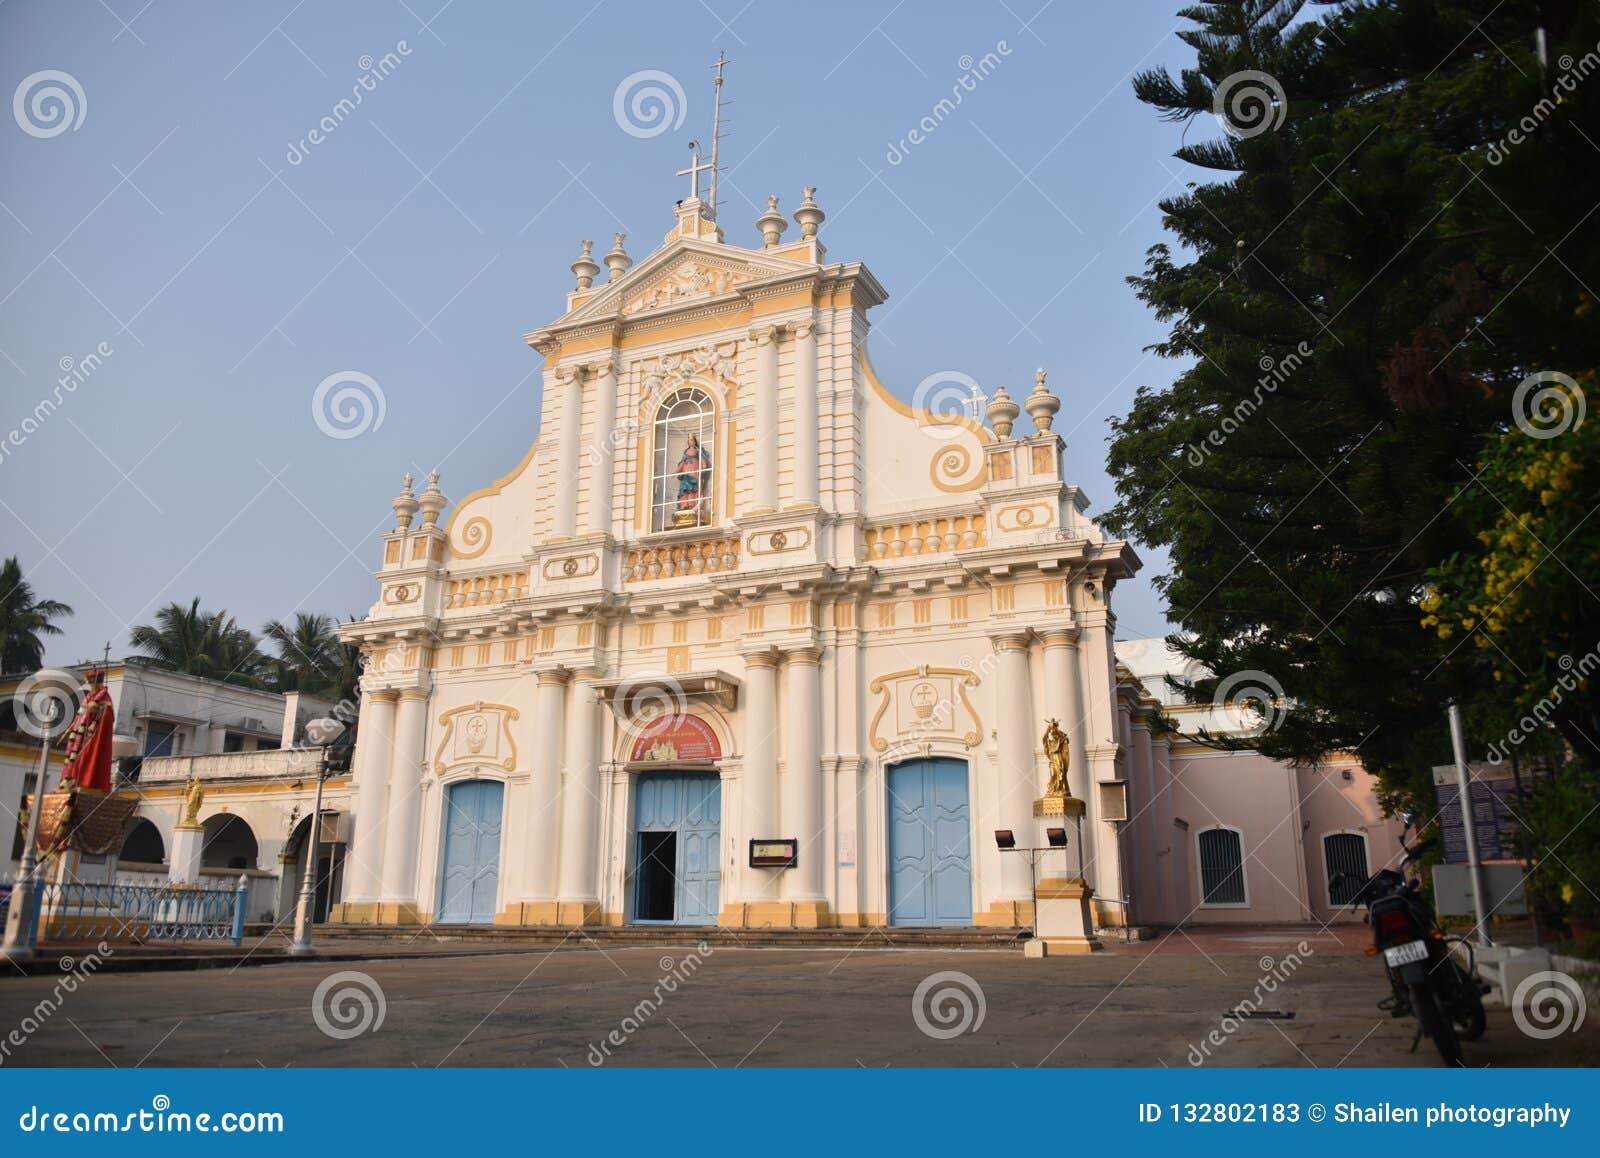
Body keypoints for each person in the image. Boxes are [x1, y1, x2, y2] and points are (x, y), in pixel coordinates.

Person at [59, 669, 115, 793]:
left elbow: (109, 715)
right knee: (74, 758)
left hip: (94, 735)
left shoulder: (105, 697)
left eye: (93, 683)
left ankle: (83, 781)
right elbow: (81, 715)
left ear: (98, 683)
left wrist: (98, 711)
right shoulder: (89, 696)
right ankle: (71, 779)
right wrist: (72, 727)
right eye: (90, 684)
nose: (92, 686)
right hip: (80, 734)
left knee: (85, 757)